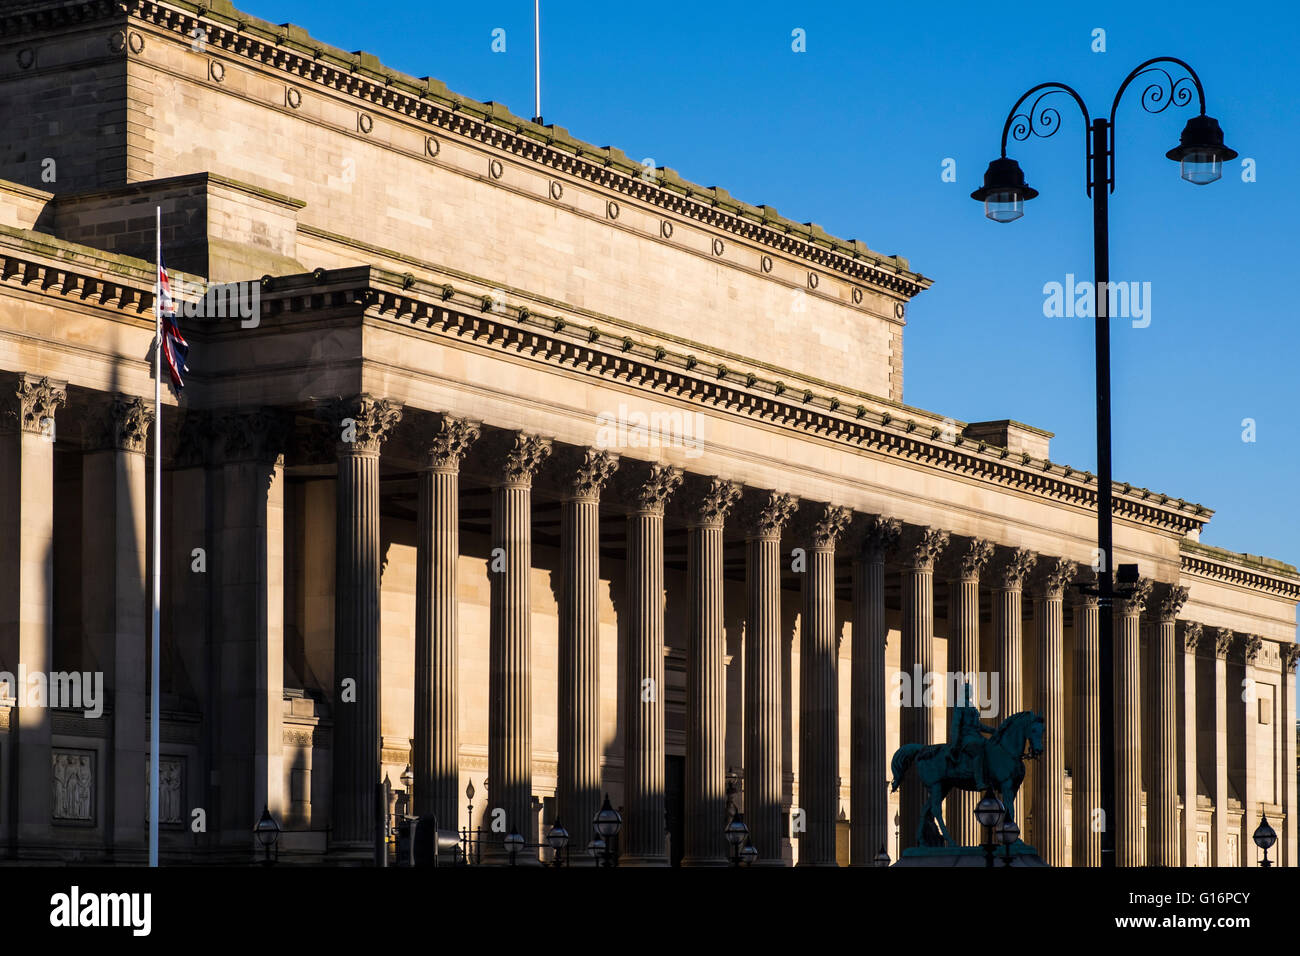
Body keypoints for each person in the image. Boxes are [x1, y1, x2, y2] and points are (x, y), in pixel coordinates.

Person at [948, 683, 993, 790]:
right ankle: (979, 781)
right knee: (978, 751)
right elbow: (956, 724)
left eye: (971, 690)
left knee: (992, 748)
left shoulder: (971, 706)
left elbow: (978, 725)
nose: (970, 692)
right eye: (967, 690)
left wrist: (992, 730)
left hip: (976, 736)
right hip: (966, 738)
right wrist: (954, 743)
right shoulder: (960, 705)